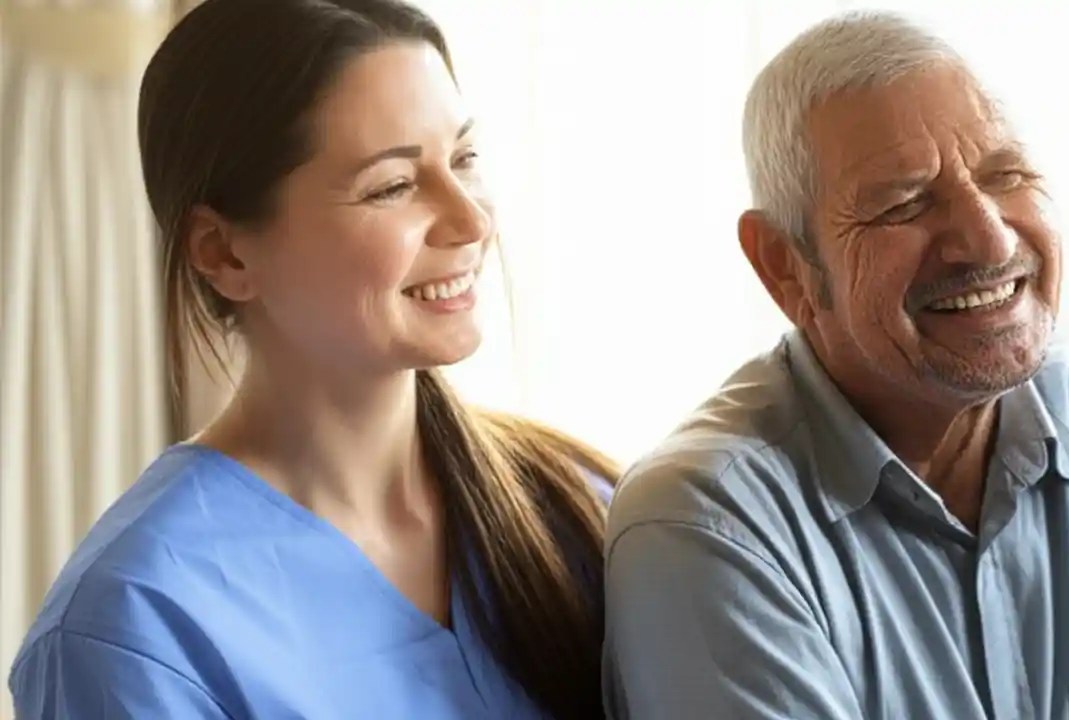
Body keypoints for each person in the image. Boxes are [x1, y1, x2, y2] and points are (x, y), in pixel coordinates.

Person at [603, 10, 1069, 720]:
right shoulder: (706, 525)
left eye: (1007, 173)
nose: (987, 242)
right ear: (786, 267)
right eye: (905, 203)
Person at [8, 1, 617, 718]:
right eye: (392, 186)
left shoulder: (577, 508)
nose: (470, 219)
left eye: (463, 159)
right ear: (225, 253)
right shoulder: (134, 627)